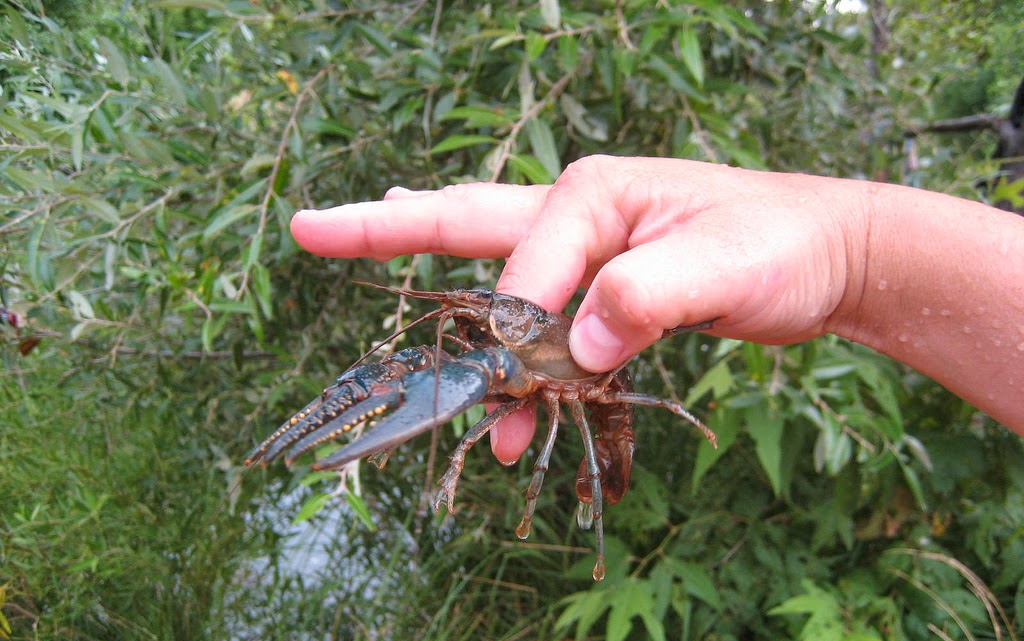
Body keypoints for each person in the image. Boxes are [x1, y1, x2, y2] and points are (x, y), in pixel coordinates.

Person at [289, 155, 1024, 462]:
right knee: (456, 353)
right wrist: (847, 254)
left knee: (544, 447)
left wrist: (849, 250)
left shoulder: (537, 366)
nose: (477, 320)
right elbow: (472, 333)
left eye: (492, 315)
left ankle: (599, 475)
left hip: (592, 399)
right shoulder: (490, 347)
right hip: (543, 381)